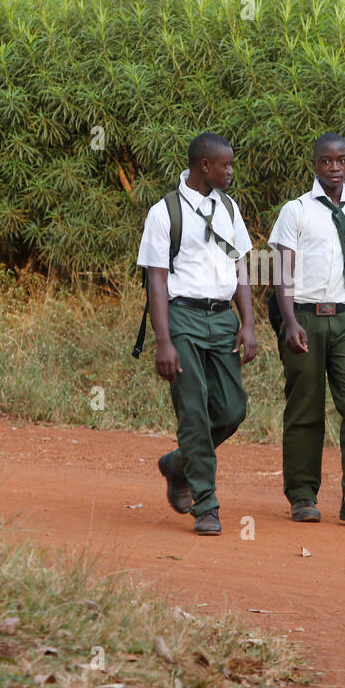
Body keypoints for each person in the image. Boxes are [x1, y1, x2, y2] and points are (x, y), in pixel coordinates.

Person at [268, 132, 345, 526]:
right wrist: (288, 322)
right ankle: (303, 494)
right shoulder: (296, 211)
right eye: (326, 161)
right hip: (304, 316)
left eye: (341, 161)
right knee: (305, 407)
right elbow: (281, 273)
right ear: (315, 164)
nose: (334, 168)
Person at [137, 132, 258, 536]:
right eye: (226, 165)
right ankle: (206, 505)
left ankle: (176, 464)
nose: (230, 172)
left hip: (222, 320)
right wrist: (163, 341)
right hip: (183, 319)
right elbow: (156, 281)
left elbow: (241, 266)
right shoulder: (164, 212)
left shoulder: (228, 207)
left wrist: (249, 324)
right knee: (193, 412)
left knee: (231, 409)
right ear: (204, 166)